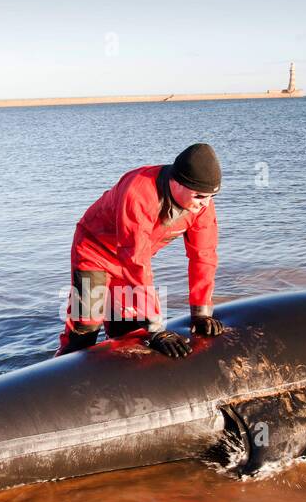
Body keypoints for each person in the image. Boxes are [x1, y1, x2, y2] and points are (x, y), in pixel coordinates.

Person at [57, 143, 224, 357]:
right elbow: (137, 262)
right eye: (200, 196)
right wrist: (156, 328)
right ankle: (60, 374)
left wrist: (201, 313)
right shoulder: (139, 193)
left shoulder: (202, 206)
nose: (205, 204)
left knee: (127, 330)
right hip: (95, 253)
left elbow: (204, 256)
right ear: (176, 182)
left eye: (211, 197)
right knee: (86, 326)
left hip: (129, 261)